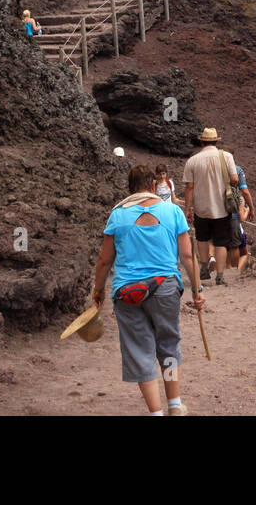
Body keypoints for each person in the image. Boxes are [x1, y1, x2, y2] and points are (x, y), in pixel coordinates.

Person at [90, 164, 204, 416]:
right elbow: (187, 255)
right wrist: (197, 289)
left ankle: (155, 413)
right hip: (165, 289)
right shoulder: (173, 211)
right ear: (154, 186)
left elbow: (104, 261)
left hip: (127, 292)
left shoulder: (117, 214)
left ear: (129, 188)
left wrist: (97, 291)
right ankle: (175, 405)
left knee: (139, 350)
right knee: (169, 344)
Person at [182, 127, 239, 286]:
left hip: (201, 208)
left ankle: (205, 268)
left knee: (202, 239)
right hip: (221, 207)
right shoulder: (226, 156)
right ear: (217, 141)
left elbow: (189, 187)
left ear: (202, 141)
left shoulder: (193, 160)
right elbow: (235, 179)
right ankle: (220, 276)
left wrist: (187, 209)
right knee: (221, 243)